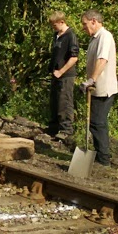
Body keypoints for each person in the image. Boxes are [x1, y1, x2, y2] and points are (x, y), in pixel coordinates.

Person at [79, 9, 118, 167]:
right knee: (94, 122)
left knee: (98, 122)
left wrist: (91, 80)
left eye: (85, 24)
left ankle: (104, 159)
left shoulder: (104, 36)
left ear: (94, 21)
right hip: (96, 88)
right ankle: (98, 154)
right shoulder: (94, 38)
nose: (84, 28)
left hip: (104, 88)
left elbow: (102, 60)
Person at [46, 11, 79, 139]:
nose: (53, 28)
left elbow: (74, 57)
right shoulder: (57, 35)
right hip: (55, 74)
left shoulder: (70, 36)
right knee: (54, 101)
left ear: (62, 22)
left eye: (55, 25)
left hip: (66, 75)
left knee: (64, 102)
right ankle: (53, 128)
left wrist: (61, 71)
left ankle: (66, 130)